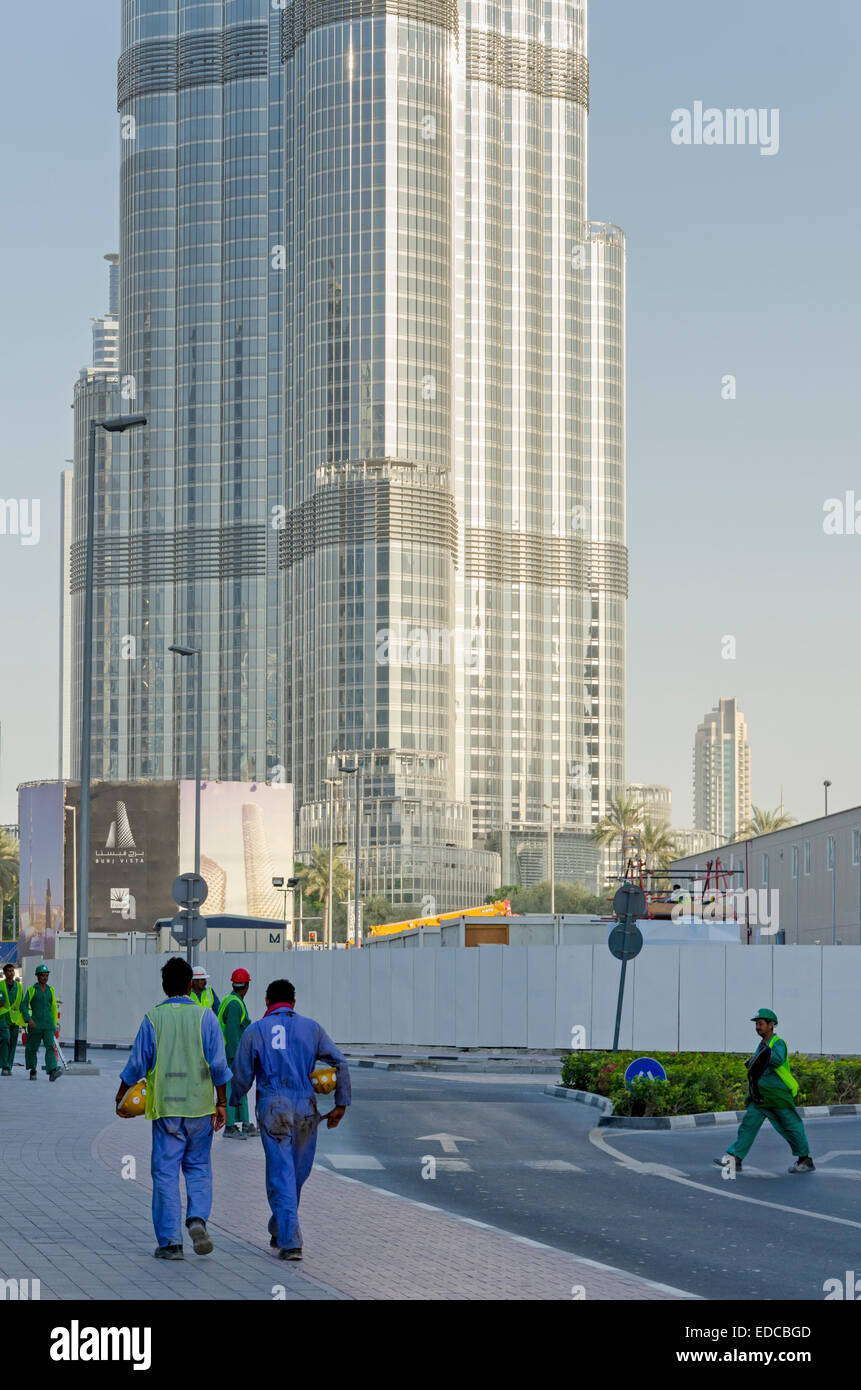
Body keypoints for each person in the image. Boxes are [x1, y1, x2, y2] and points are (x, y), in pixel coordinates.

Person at [115, 956, 231, 1261]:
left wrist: (120, 1095)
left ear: (165, 985)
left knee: (165, 1173)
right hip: (201, 1108)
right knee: (198, 1167)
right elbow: (219, 1067)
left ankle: (170, 1242)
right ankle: (196, 1219)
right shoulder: (207, 1018)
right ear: (191, 984)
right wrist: (221, 1103)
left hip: (166, 1108)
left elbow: (137, 1064)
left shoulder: (153, 1018)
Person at [229, 978, 350, 1260]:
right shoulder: (312, 1028)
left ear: (267, 1003)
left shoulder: (256, 1030)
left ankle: (284, 1231)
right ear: (293, 1004)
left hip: (273, 1108)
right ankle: (288, 1235)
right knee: (296, 1173)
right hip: (306, 1109)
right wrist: (341, 1104)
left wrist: (230, 1102)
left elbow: (242, 1075)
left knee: (282, 1173)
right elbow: (340, 1062)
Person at [715, 1008, 815, 1175]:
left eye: (760, 1024)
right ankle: (735, 1159)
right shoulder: (762, 1045)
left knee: (791, 1125)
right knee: (748, 1125)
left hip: (777, 1095)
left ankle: (805, 1160)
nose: (757, 1027)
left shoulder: (778, 1043)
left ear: (771, 1025)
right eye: (756, 1024)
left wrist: (761, 1058)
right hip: (760, 1096)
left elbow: (776, 1060)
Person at [218, 968, 257, 1139]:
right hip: (232, 1054)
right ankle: (230, 1126)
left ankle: (245, 1123)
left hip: (232, 1052)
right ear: (247, 985)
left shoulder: (231, 999)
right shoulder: (234, 1004)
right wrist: (235, 1057)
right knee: (232, 1088)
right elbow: (233, 1033)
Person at [22, 965, 61, 1082]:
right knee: (32, 1048)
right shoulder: (32, 990)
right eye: (42, 976)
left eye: (46, 976)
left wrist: (54, 1024)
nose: (45, 978)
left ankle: (52, 1071)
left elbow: (54, 1008)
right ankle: (32, 1069)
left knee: (50, 1047)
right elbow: (23, 1005)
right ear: (37, 976)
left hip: (48, 1025)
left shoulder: (51, 990)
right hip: (35, 1025)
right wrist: (28, 1019)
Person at [0, 963, 25, 1076]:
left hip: (15, 1018)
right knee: (5, 1039)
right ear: (4, 973)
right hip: (3, 1017)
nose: (11, 973)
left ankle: (9, 1066)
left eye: (12, 970)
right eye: (9, 971)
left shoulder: (19, 987)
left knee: (13, 1043)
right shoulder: (0, 985)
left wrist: (25, 1021)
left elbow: (22, 1004)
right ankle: (4, 1066)